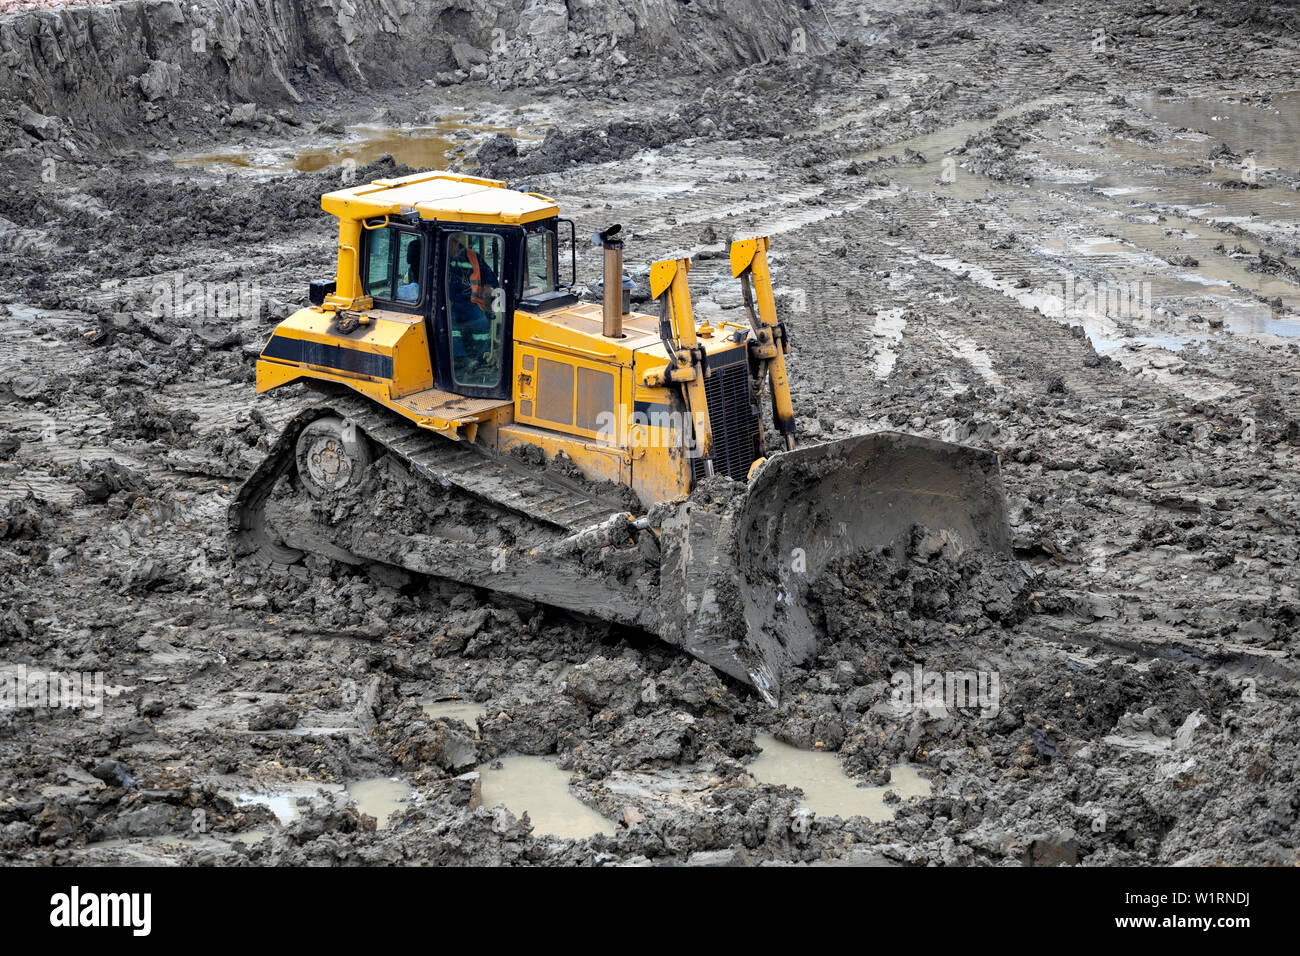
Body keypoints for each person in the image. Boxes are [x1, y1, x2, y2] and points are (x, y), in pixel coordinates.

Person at [446, 233, 499, 363]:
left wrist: (488, 288)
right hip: (446, 303)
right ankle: (459, 359)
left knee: (481, 323)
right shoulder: (437, 256)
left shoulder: (473, 257)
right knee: (450, 325)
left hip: (468, 302)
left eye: (455, 241)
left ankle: (483, 357)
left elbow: (491, 279)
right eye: (451, 241)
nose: (454, 245)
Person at [395, 237, 421, 302]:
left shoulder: (419, 270)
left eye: (412, 255)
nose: (408, 256)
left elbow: (413, 290)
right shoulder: (411, 269)